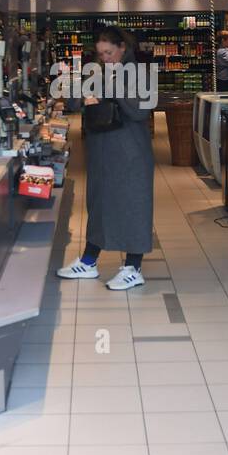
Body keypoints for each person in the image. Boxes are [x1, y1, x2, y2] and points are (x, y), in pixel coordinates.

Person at [57, 26, 155, 290]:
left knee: (133, 206)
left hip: (131, 154)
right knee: (99, 205)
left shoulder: (140, 74)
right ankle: (89, 261)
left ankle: (133, 267)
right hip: (102, 152)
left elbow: (140, 111)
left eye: (109, 52)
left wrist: (111, 86)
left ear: (122, 48)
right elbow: (72, 102)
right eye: (101, 54)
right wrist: (82, 92)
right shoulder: (96, 71)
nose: (105, 58)